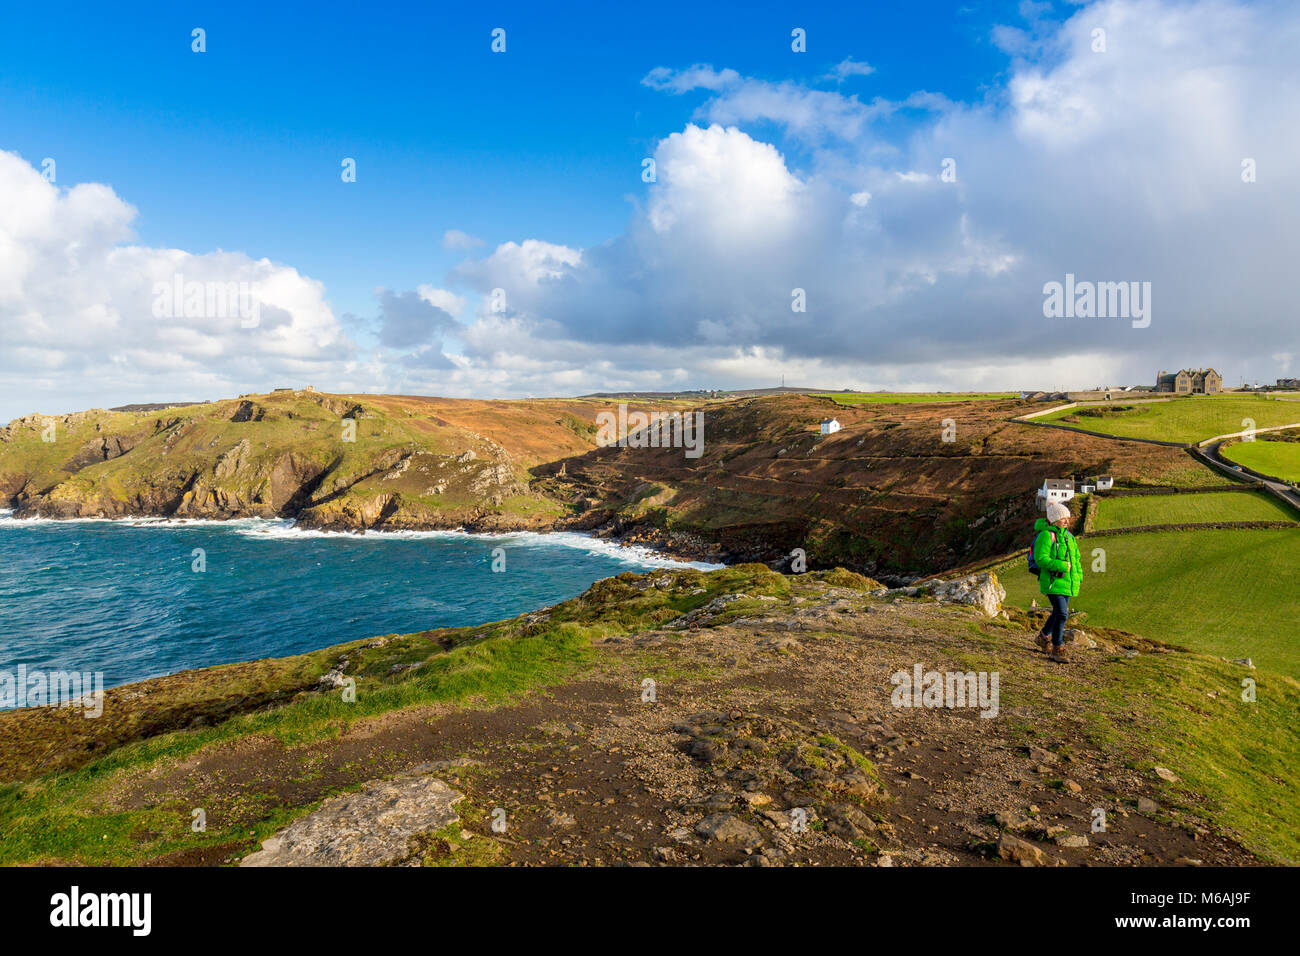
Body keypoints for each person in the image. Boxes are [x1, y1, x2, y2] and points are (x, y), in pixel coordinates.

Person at [1033, 499, 1082, 662]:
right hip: (1053, 581)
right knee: (1062, 614)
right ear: (1054, 519)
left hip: (1068, 581)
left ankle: (1043, 637)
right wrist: (1061, 565)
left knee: (1057, 613)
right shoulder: (1046, 536)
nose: (1066, 521)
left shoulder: (1069, 537)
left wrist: (1079, 576)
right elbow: (1041, 559)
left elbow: (1076, 559)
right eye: (1063, 518)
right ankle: (1057, 648)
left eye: (1067, 518)